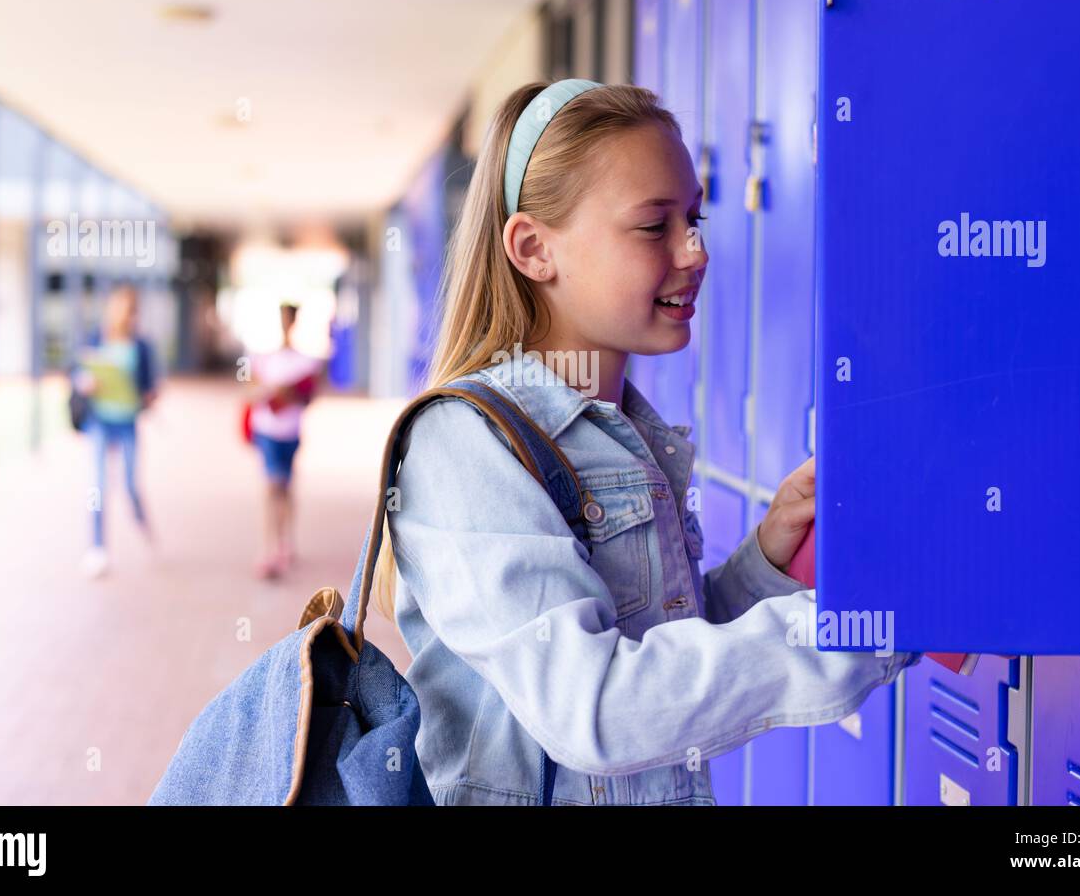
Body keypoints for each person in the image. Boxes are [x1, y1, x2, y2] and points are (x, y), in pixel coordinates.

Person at [367, 80, 923, 805]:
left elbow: (660, 648)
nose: (695, 251)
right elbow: (597, 707)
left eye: (694, 218)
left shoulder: (622, 429)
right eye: (653, 225)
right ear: (534, 249)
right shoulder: (463, 446)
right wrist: (860, 623)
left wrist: (764, 564)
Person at [73, 284, 158, 578]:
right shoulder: (96, 337)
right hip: (100, 420)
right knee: (97, 486)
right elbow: (78, 370)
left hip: (127, 422)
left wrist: (146, 397)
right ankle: (97, 547)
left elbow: (151, 387)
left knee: (131, 485)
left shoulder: (142, 346)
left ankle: (141, 520)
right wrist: (85, 382)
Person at [247, 303, 320, 579]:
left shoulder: (305, 361)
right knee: (271, 486)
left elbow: (309, 397)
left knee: (286, 486)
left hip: (291, 431)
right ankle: (269, 548)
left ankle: (286, 541)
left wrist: (286, 394)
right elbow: (249, 391)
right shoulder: (262, 358)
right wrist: (266, 392)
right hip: (266, 429)